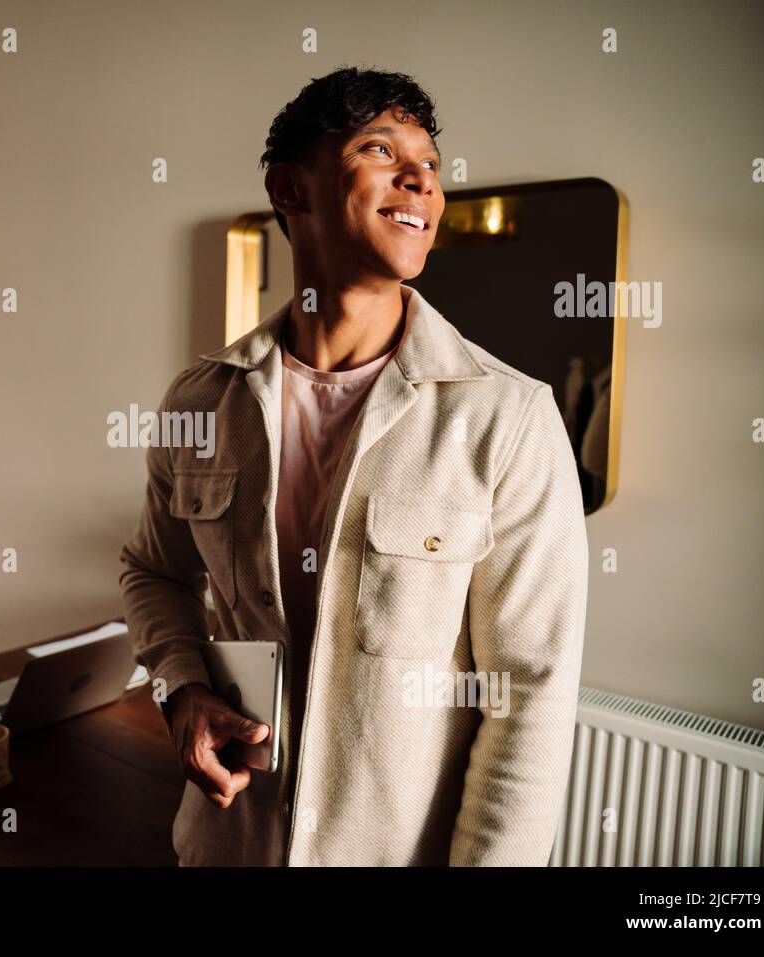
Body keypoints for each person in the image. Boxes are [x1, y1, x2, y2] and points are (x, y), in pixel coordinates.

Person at [120, 67, 589, 866]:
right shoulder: (200, 398)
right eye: (382, 149)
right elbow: (152, 571)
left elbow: (528, 697)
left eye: (432, 164)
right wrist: (180, 687)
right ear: (290, 189)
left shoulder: (508, 416)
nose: (423, 181)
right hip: (223, 843)